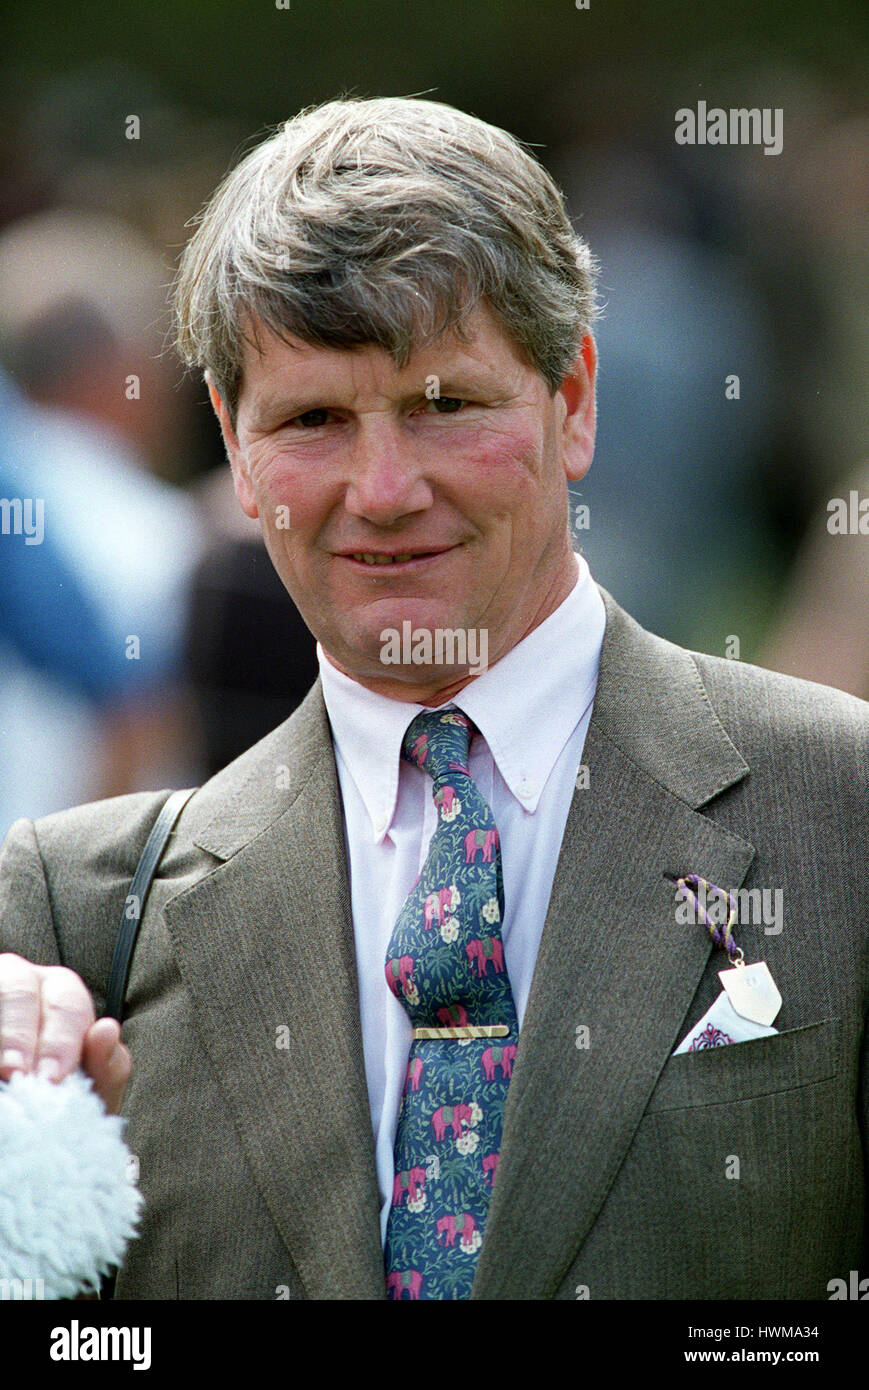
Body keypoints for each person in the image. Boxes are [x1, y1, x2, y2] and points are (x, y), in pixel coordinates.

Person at [0, 96, 867, 1300]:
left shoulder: (843, 808)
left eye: (442, 406)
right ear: (233, 448)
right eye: (311, 419)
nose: (385, 486)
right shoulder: (69, 921)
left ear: (572, 399)